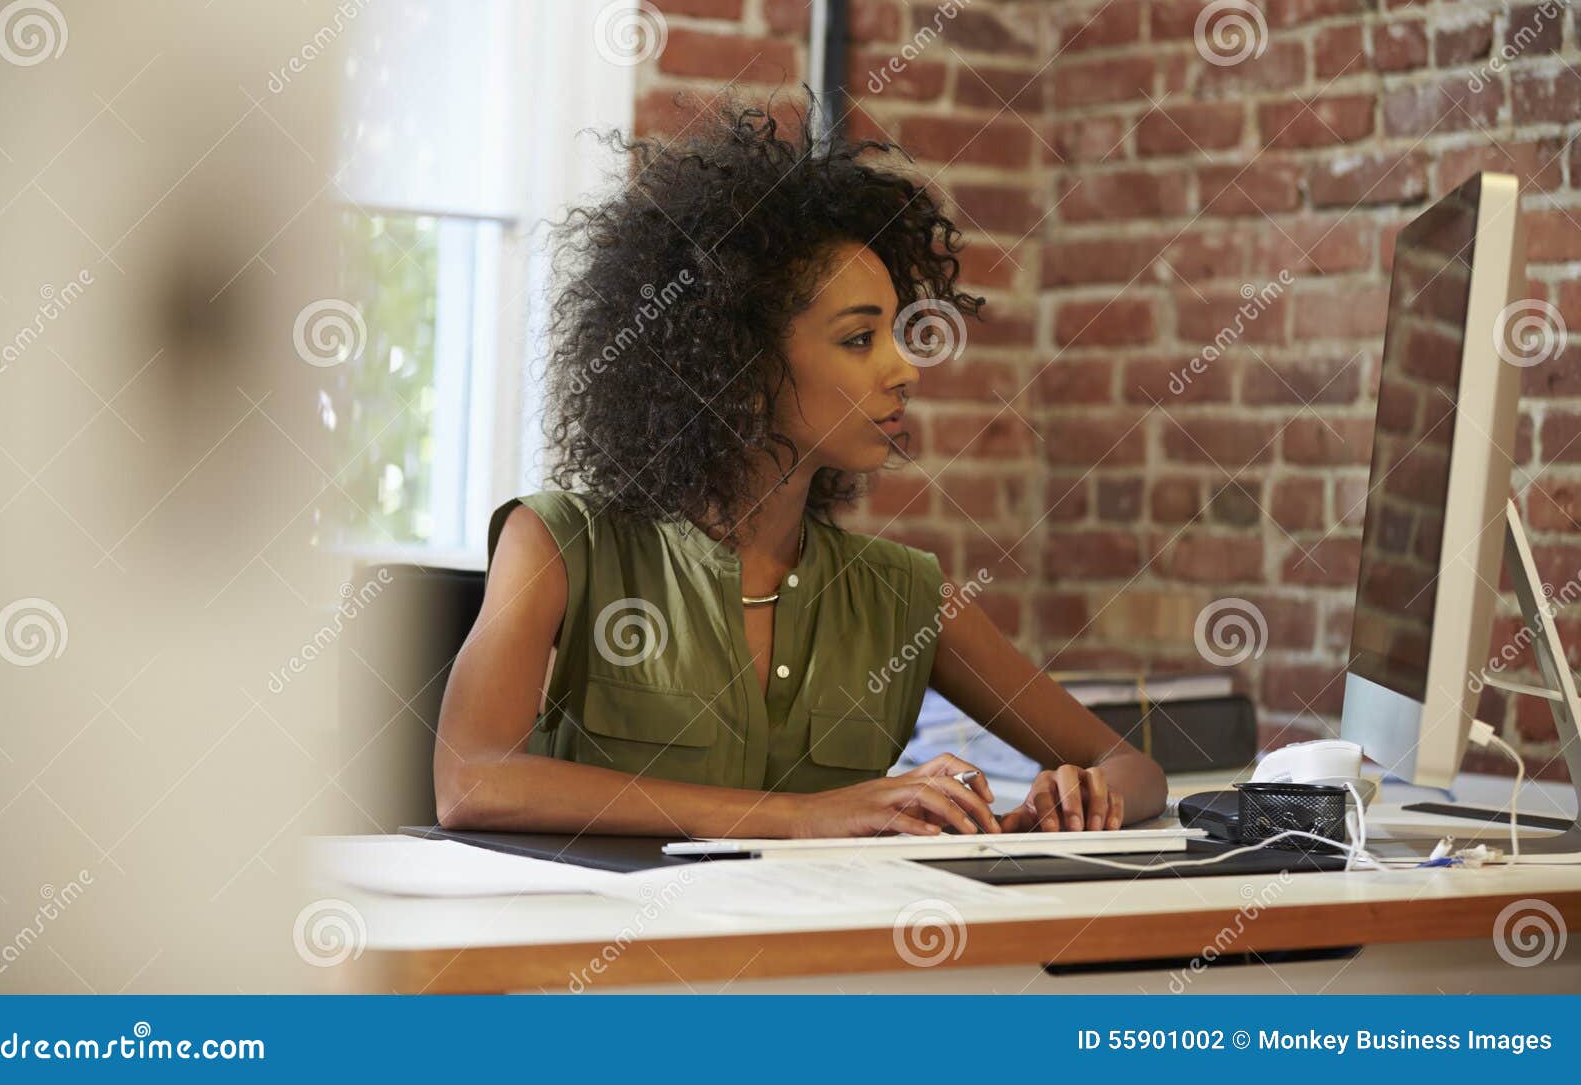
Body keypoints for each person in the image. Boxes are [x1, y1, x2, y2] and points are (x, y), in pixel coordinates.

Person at [434, 96, 1168, 839]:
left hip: (821, 954)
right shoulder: (559, 545)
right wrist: (800, 816)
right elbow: (471, 779)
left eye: (898, 332)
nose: (905, 368)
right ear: (740, 364)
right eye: (858, 340)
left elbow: (1135, 768)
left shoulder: (906, 599)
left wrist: (1079, 796)